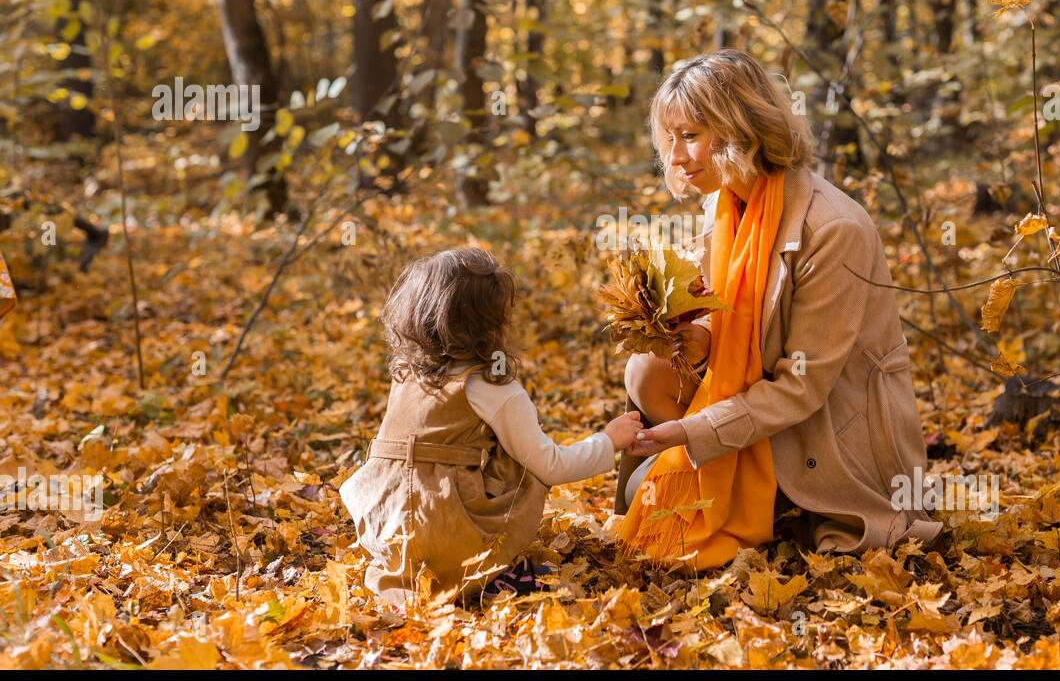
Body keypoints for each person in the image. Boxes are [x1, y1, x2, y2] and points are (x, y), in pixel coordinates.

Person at [616, 49, 943, 569]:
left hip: (827, 434)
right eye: (669, 139)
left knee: (655, 505)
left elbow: (802, 386)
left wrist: (691, 434)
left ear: (742, 128)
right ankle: (744, 491)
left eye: (692, 136)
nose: (675, 157)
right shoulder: (725, 203)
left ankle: (779, 502)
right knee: (646, 381)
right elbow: (735, 319)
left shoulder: (834, 230)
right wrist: (697, 336)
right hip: (760, 412)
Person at [340, 247, 642, 606]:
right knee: (525, 466)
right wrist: (608, 441)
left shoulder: (405, 376)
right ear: (492, 325)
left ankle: (414, 577)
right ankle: (481, 573)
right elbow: (551, 464)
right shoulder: (490, 388)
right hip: (444, 532)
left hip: (383, 527)